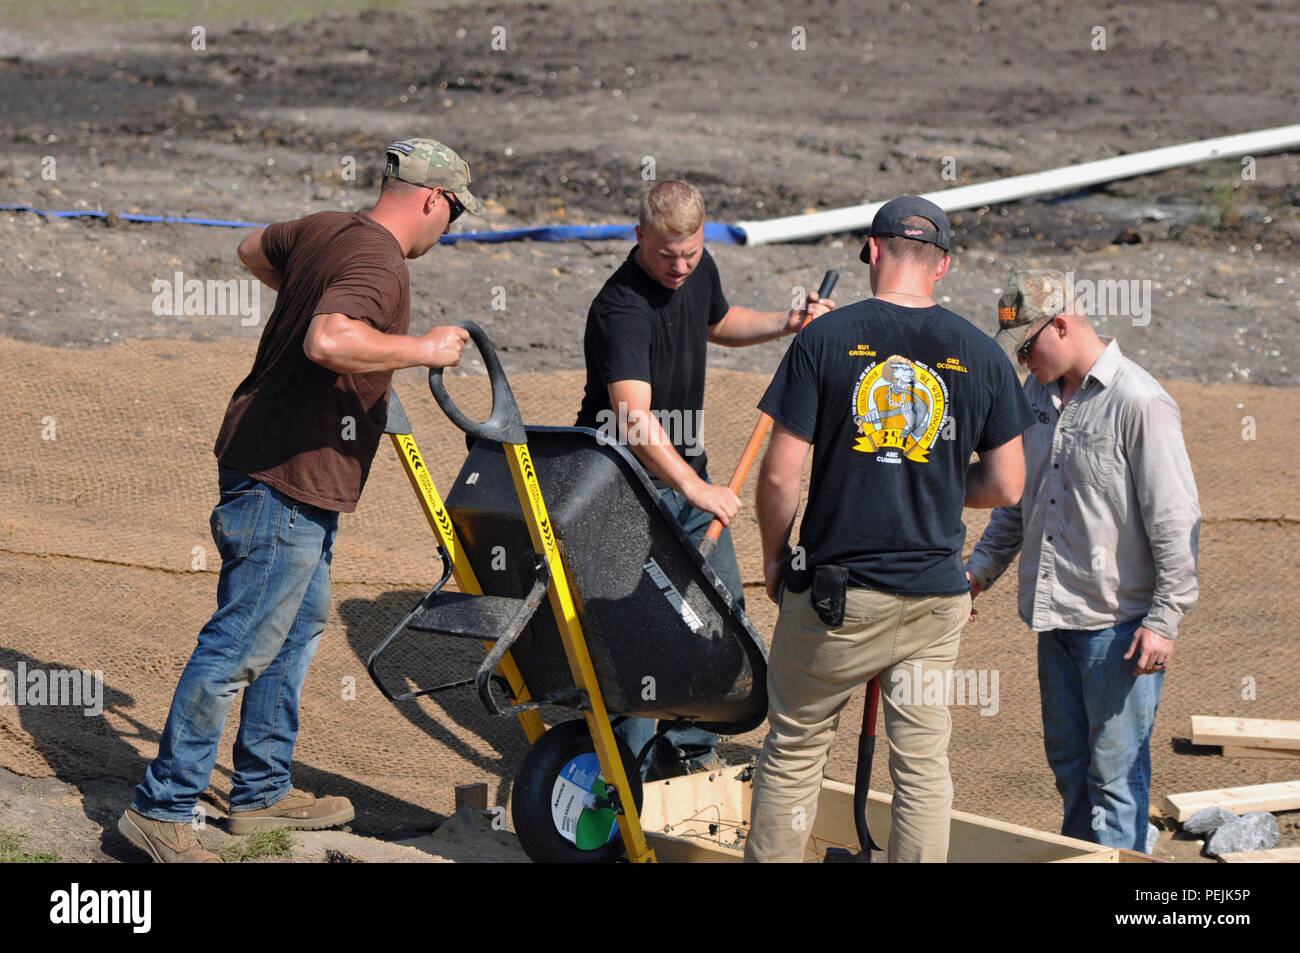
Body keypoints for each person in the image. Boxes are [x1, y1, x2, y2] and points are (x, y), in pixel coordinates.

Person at [118, 138, 478, 862]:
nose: (450, 229)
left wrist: (316, 298)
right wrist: (425, 349)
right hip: (283, 476)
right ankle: (162, 807)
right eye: (455, 214)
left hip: (284, 468)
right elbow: (330, 339)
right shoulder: (377, 261)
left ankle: (259, 788)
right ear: (433, 200)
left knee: (297, 626)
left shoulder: (324, 228)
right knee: (243, 640)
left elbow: (253, 249)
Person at [744, 196, 1037, 863]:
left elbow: (778, 478)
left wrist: (772, 558)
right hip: (936, 596)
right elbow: (1009, 484)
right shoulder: (982, 356)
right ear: (943, 266)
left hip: (837, 597)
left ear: (872, 251)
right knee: (923, 766)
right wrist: (930, 480)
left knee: (794, 750)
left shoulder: (823, 340)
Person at [575, 179, 834, 779]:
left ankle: (689, 749)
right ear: (639, 236)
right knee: (641, 625)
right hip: (623, 489)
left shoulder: (696, 268)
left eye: (690, 253)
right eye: (667, 255)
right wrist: (692, 487)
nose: (681, 266)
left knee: (719, 612)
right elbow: (634, 421)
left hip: (689, 478)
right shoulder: (622, 309)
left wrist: (789, 321)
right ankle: (621, 776)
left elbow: (720, 321)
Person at [966, 270, 1200, 852]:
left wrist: (1163, 621)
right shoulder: (1035, 399)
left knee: (1115, 778)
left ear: (1062, 324)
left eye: (1027, 347)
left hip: (1119, 628)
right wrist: (976, 575)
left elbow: (1174, 518)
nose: (1023, 363)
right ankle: (1083, 859)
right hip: (1057, 621)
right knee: (1070, 767)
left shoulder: (1139, 402)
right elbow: (1018, 504)